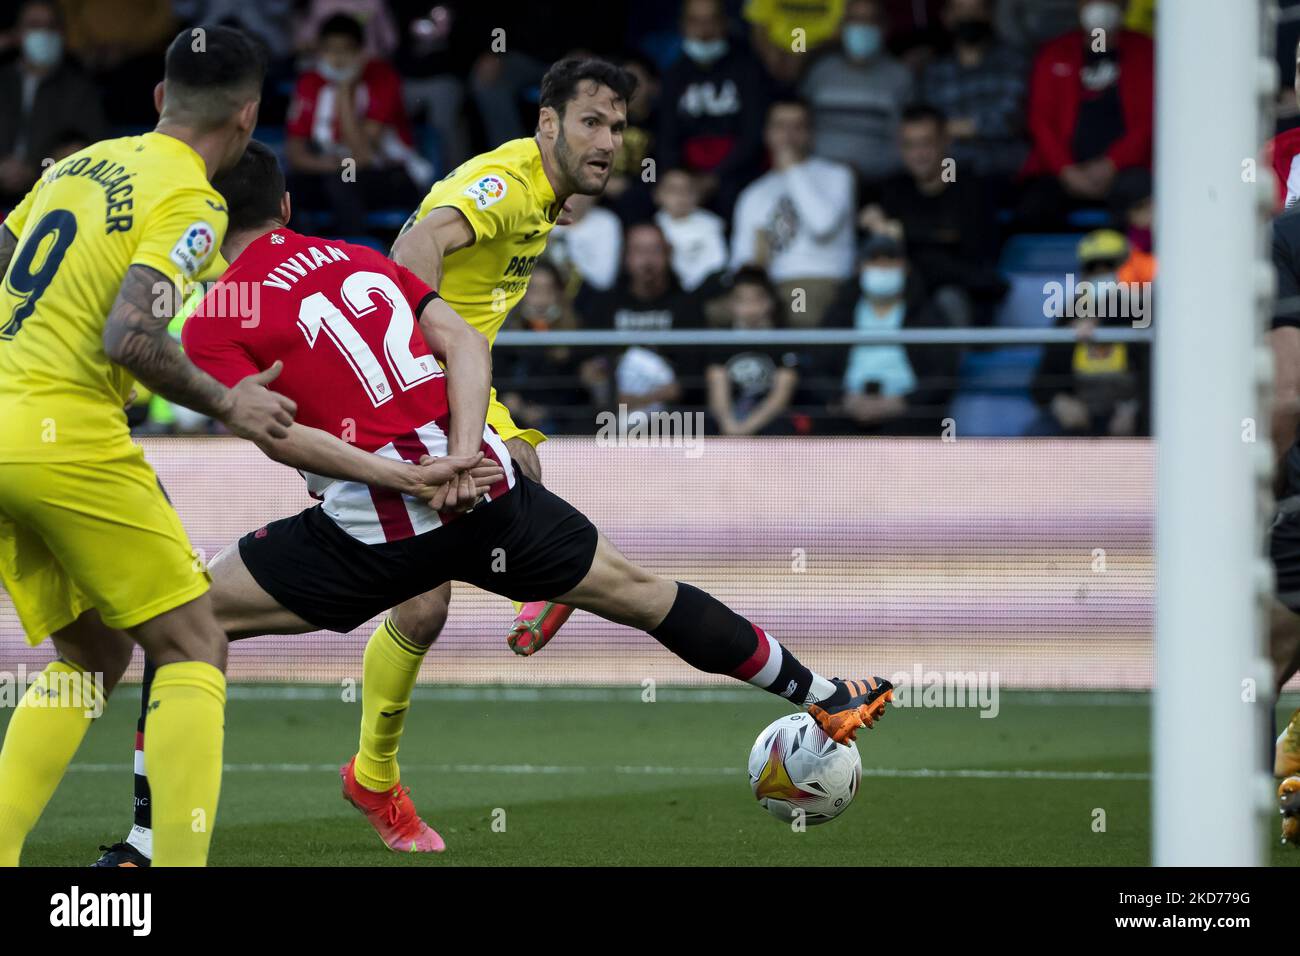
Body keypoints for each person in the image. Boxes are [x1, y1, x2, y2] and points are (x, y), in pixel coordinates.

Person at [99, 142, 898, 859]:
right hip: (492, 494)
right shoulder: (357, 257)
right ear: (285, 204)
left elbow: (280, 437)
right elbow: (465, 342)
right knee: (645, 594)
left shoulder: (215, 315)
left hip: (378, 531)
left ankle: (145, 842)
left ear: (210, 215)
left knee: (182, 625)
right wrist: (459, 453)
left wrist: (411, 478)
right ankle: (823, 695)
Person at [0, 27, 293, 868]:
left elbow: (6, 259)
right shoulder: (195, 201)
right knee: (194, 643)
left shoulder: (78, 165)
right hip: (67, 436)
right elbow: (130, 335)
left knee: (93, 651)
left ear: (161, 97)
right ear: (248, 116)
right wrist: (229, 402)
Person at [1016, 0, 1154, 230]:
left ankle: (1119, 254)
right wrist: (1066, 170)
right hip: (1062, 172)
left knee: (1144, 201)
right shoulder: (1055, 52)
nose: (1099, 5)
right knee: (1032, 207)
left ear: (1124, 6)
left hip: (1128, 170)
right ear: (1079, 6)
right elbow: (1040, 120)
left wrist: (1112, 164)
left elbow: (1151, 120)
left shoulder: (1146, 51)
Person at [285, 13, 427, 235]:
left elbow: (362, 156)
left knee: (343, 181)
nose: (337, 58)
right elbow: (295, 153)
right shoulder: (309, 82)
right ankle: (296, 251)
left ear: (361, 52)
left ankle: (353, 251)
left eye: (345, 50)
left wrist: (343, 89)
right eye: (330, 50)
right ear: (319, 51)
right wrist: (329, 165)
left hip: (389, 174)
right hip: (330, 170)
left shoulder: (383, 77)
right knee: (285, 189)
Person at [730, 98, 857, 328]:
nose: (788, 135)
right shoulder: (753, 193)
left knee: (799, 312)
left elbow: (822, 225)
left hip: (813, 282)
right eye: (780, 126)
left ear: (811, 134)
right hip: (767, 287)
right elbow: (741, 259)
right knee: (715, 312)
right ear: (767, 133)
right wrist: (754, 267)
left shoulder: (836, 175)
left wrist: (792, 169)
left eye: (797, 127)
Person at [825, 235, 958, 435]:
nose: (882, 269)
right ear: (860, 268)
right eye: (875, 262)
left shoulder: (925, 312)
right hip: (848, 411)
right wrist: (842, 399)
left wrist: (905, 402)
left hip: (910, 414)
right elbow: (818, 365)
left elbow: (943, 370)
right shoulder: (841, 311)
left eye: (890, 262)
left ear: (905, 268)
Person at [658, 0, 769, 220]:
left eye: (711, 20)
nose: (704, 31)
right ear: (683, 25)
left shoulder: (749, 70)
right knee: (655, 188)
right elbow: (665, 135)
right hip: (687, 174)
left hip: (737, 173)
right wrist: (679, 176)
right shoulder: (673, 75)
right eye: (695, 21)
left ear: (725, 23)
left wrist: (715, 177)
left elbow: (753, 134)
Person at [0, 0, 107, 207]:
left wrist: (36, 169)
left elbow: (92, 148)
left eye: (51, 26)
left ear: (63, 34)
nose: (44, 33)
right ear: (18, 33)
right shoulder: (2, 80)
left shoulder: (79, 89)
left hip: (51, 197)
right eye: (34, 25)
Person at [800, 0, 912, 187]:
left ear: (884, 27)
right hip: (816, 183)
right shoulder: (820, 72)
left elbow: (905, 141)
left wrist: (868, 171)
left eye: (870, 20)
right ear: (841, 26)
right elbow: (801, 128)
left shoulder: (900, 77)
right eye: (855, 19)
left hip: (879, 184)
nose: (862, 26)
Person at [919, 0, 1028, 182]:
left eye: (976, 9)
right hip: (952, 172)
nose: (969, 17)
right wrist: (980, 125)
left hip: (1007, 170)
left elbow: (1011, 121)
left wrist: (956, 127)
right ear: (947, 17)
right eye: (961, 9)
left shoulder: (1013, 62)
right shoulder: (934, 71)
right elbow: (930, 128)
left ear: (989, 15)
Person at [706, 266, 805, 436]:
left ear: (770, 302)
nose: (750, 308)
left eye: (757, 299)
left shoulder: (785, 340)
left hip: (768, 419)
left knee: (782, 429)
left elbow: (780, 396)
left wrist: (744, 430)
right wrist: (729, 426)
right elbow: (717, 390)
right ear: (730, 304)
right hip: (729, 418)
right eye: (742, 300)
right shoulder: (721, 339)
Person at [653, 167, 728, 293]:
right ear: (658, 195)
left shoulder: (711, 224)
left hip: (709, 289)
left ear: (697, 194)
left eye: (687, 189)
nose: (681, 195)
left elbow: (718, 263)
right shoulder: (652, 227)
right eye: (673, 189)